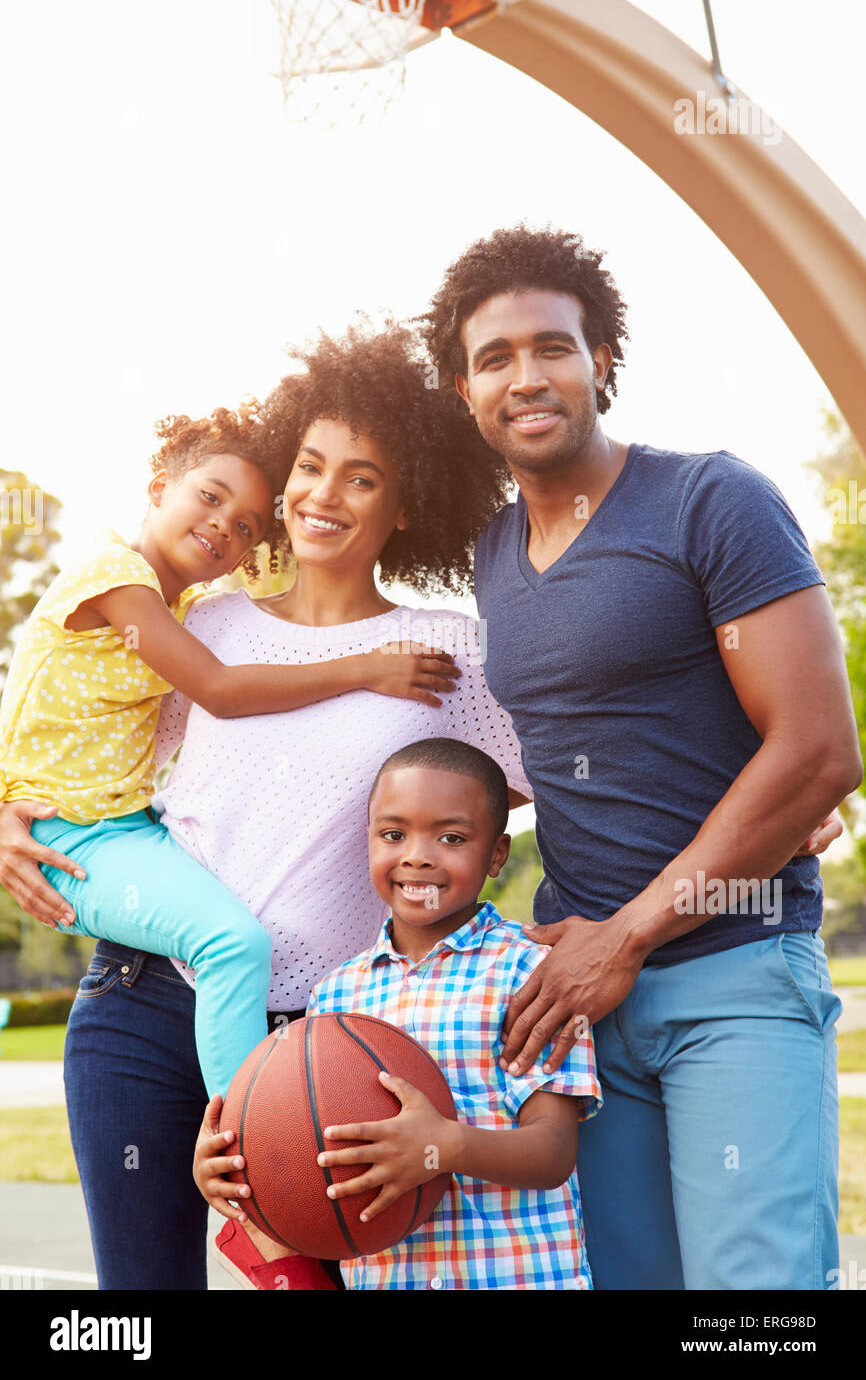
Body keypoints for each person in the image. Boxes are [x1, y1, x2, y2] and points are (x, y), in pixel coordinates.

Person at [0, 322, 530, 1290]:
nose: (324, 494)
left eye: (361, 476)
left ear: (407, 499)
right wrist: (4, 812)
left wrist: (766, 813)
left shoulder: (444, 649)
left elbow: (560, 788)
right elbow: (60, 712)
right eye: (311, 466)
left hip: (329, 1032)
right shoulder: (204, 618)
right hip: (141, 1004)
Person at [421, 224, 862, 1290]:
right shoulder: (486, 557)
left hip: (733, 975)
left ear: (600, 359)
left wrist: (625, 935)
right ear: (460, 391)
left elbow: (815, 751)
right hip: (584, 1008)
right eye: (493, 358)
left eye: (551, 346)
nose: (525, 376)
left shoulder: (709, 499)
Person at [0, 403, 459, 1100]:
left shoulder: (190, 608)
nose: (224, 525)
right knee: (231, 944)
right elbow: (219, 689)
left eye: (247, 524)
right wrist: (367, 667)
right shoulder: (115, 576)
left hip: (129, 829)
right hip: (75, 839)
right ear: (159, 487)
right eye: (209, 497)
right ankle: (247, 1132)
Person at [194, 738, 601, 1291]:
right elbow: (307, 1160)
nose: (417, 855)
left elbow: (553, 1152)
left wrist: (443, 1146)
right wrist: (234, 1176)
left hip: (515, 1275)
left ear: (498, 854)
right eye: (393, 834)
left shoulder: (533, 974)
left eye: (451, 837)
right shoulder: (334, 998)